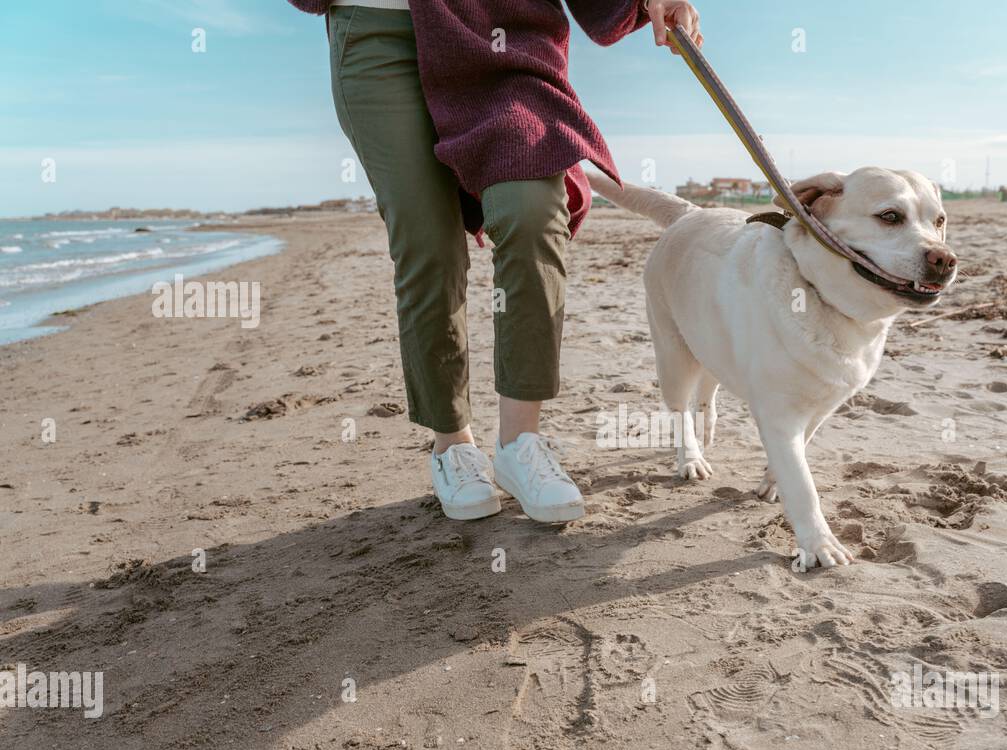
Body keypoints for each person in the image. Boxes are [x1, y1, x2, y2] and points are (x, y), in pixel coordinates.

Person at [286, 0, 704, 522]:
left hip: (505, 35)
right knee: (427, 246)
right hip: (376, 34)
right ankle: (452, 447)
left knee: (533, 214)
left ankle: (519, 443)